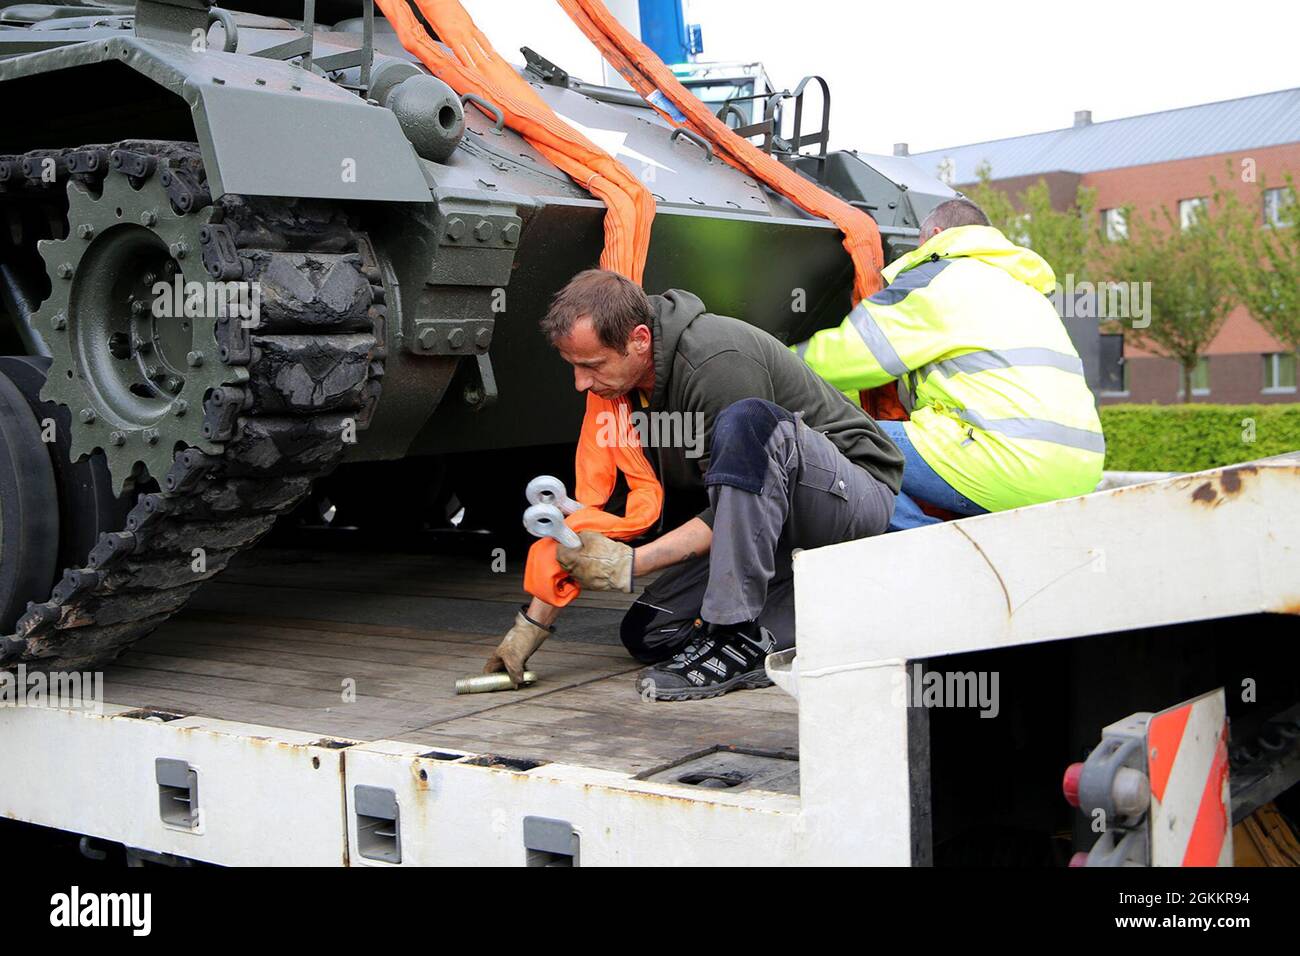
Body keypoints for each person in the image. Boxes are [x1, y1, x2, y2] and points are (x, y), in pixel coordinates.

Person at [484, 269, 903, 701]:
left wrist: (631, 565)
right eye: (573, 366)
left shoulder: (715, 362)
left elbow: (734, 499)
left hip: (848, 497)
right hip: (766, 517)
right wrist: (531, 626)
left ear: (640, 340)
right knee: (650, 633)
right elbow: (589, 523)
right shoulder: (622, 392)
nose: (581, 383)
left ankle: (735, 632)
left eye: (591, 366)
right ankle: (828, 611)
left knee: (748, 421)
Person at [796, 198, 1105, 530]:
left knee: (829, 441)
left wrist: (773, 359)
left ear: (936, 235)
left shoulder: (938, 278)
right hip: (1081, 473)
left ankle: (924, 544)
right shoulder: (1027, 291)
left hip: (1005, 463)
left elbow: (848, 357)